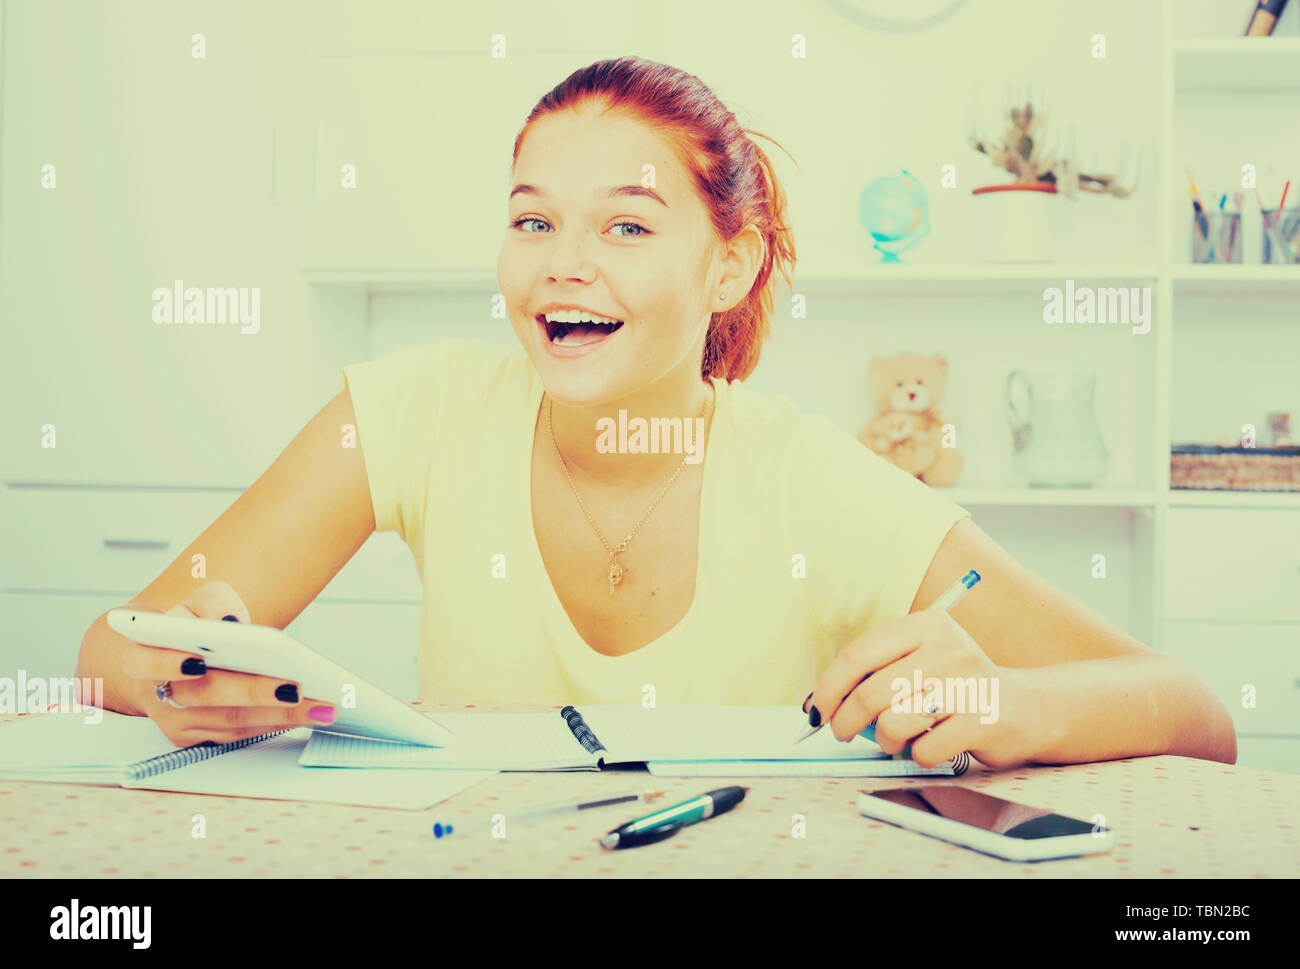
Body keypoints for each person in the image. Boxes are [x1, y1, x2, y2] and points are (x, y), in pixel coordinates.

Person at [76, 56, 1236, 767]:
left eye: (626, 227)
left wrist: (1003, 701)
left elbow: (1194, 716)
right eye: (533, 221)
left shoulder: (807, 481)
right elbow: (108, 651)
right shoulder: (417, 410)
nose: (562, 266)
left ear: (726, 271)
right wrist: (175, 674)